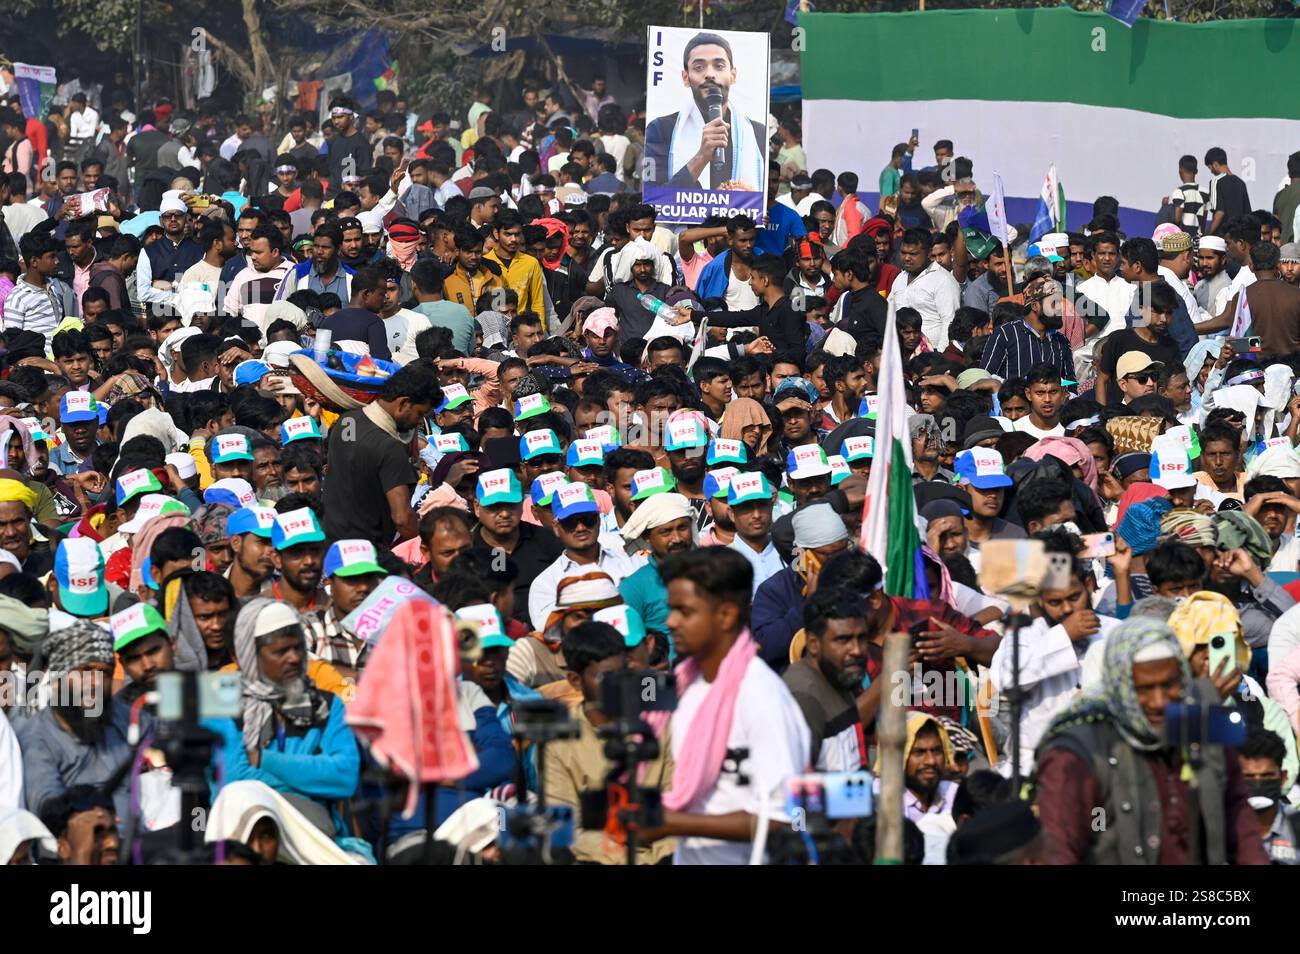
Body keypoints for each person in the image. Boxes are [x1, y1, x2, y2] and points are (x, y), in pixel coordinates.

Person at [1035, 617, 1267, 864]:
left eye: (1169, 685)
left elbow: (1236, 808)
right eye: (1143, 689)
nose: (1159, 702)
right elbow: (1059, 850)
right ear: (1120, 685)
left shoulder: (1202, 713)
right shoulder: (1075, 752)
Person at [629, 547, 809, 864]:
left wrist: (671, 822)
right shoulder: (684, 686)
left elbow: (787, 821)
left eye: (684, 611)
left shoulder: (761, 695)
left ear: (725, 615)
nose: (670, 622)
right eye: (670, 609)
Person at [204, 598, 360, 843]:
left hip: (319, 836)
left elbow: (344, 776)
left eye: (298, 648)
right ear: (246, 654)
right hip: (244, 840)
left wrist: (265, 760)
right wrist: (312, 783)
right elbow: (235, 782)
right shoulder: (219, 699)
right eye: (280, 651)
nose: (295, 658)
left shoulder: (327, 705)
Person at [542, 620, 676, 864]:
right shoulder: (559, 741)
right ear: (575, 680)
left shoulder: (658, 724)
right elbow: (567, 827)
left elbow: (676, 802)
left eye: (622, 674)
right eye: (604, 677)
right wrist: (628, 859)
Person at [322, 363, 441, 543]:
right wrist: (426, 549)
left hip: (331, 541)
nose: (418, 423)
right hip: (367, 553)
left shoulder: (348, 421)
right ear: (403, 403)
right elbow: (402, 519)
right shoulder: (389, 448)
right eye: (419, 414)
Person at [643, 33, 767, 191]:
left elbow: (764, 198)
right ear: (686, 77)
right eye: (699, 67)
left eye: (719, 66)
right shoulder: (660, 129)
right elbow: (653, 199)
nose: (709, 74)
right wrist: (702, 156)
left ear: (733, 75)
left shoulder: (757, 133)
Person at [783, 585, 870, 771]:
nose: (857, 650)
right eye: (843, 640)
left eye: (862, 638)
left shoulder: (839, 674)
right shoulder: (803, 697)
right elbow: (792, 789)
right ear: (814, 644)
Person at [618, 491, 696, 637]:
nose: (677, 539)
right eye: (666, 532)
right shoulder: (633, 588)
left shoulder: (711, 572)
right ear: (646, 537)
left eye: (682, 528)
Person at [888, 227, 961, 353]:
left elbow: (950, 321)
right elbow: (890, 314)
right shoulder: (900, 279)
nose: (906, 258)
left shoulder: (943, 280)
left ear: (928, 253)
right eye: (903, 253)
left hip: (932, 356)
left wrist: (940, 355)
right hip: (899, 355)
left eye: (913, 254)